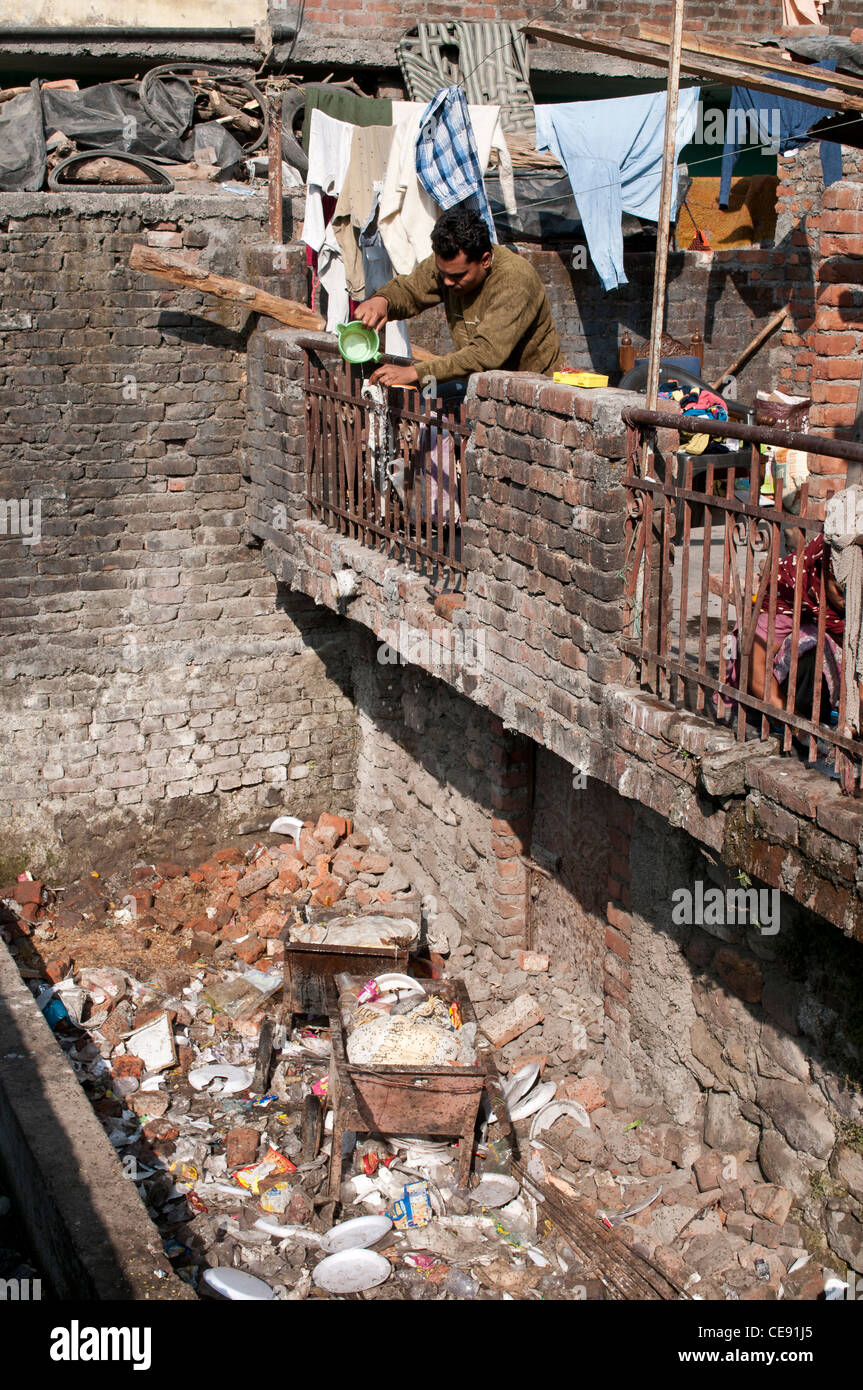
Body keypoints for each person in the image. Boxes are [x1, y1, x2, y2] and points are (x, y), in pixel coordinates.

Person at [353, 205, 562, 397]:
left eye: (458, 276)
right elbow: (411, 289)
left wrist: (417, 372)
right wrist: (383, 300)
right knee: (427, 403)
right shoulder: (448, 265)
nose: (447, 282)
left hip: (533, 394)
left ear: (485, 260)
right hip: (482, 386)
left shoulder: (515, 280)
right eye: (443, 273)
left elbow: (486, 353)